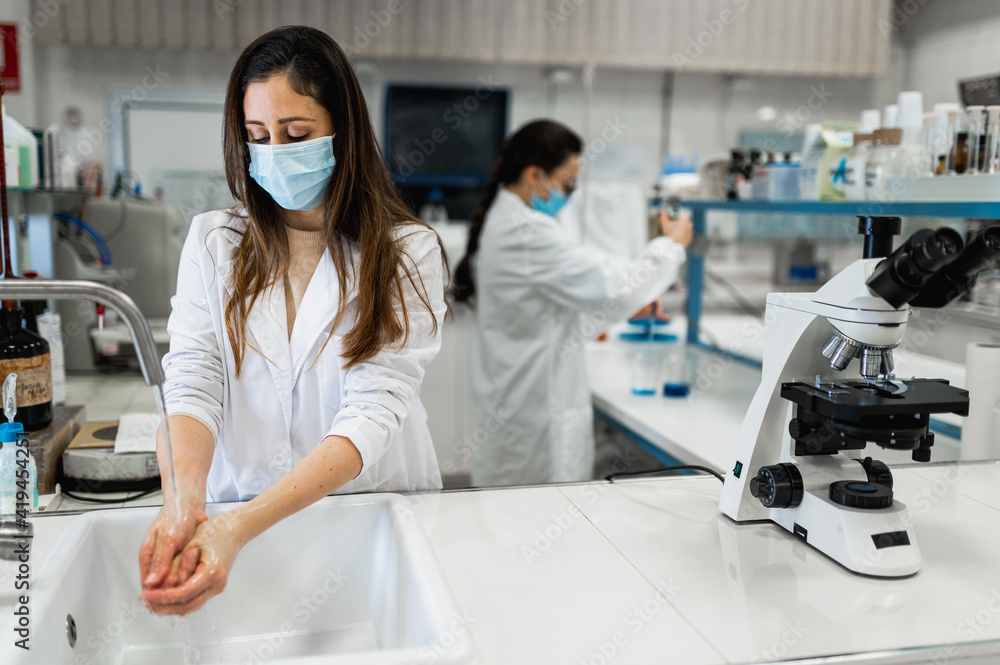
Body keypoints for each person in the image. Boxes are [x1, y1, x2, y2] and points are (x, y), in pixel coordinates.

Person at [137, 26, 447, 616]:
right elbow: (194, 382)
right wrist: (183, 501)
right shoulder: (214, 241)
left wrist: (241, 525)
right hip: (238, 505)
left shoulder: (407, 251)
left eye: (296, 134)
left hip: (368, 510)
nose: (274, 152)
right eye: (257, 136)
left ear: (343, 131)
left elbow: (374, 409)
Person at [454, 120, 692, 487]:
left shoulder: (506, 220)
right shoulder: (527, 231)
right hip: (533, 415)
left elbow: (551, 308)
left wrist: (631, 306)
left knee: (512, 525)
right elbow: (613, 286)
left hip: (517, 401)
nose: (569, 193)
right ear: (536, 175)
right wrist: (671, 245)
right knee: (531, 522)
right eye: (567, 182)